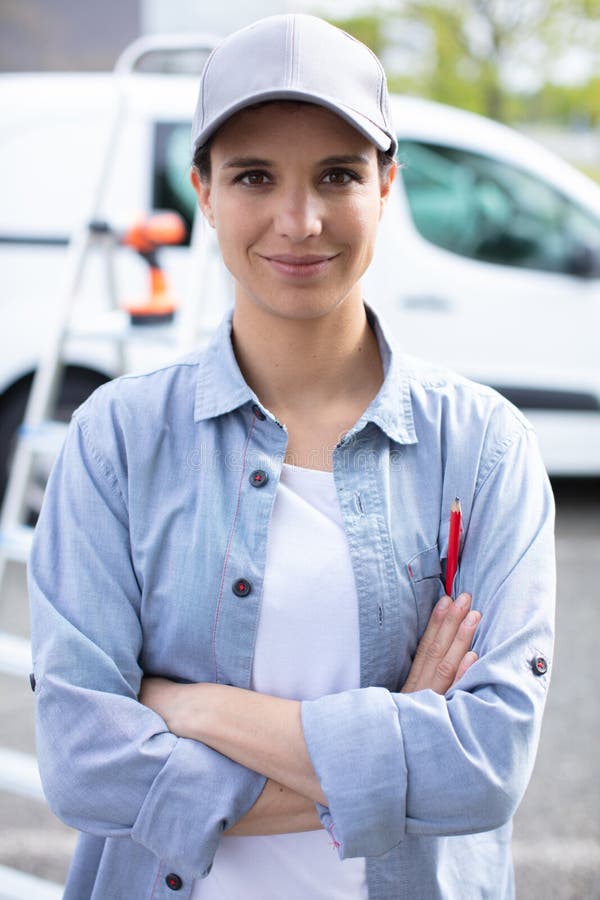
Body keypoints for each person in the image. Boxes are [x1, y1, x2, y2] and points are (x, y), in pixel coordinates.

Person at [28, 14, 555, 900]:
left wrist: (188, 710)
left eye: (338, 175)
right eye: (254, 176)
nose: (299, 220)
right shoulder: (117, 441)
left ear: (388, 184)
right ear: (202, 189)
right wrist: (398, 737)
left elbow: (486, 766)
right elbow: (86, 768)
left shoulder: (484, 448)